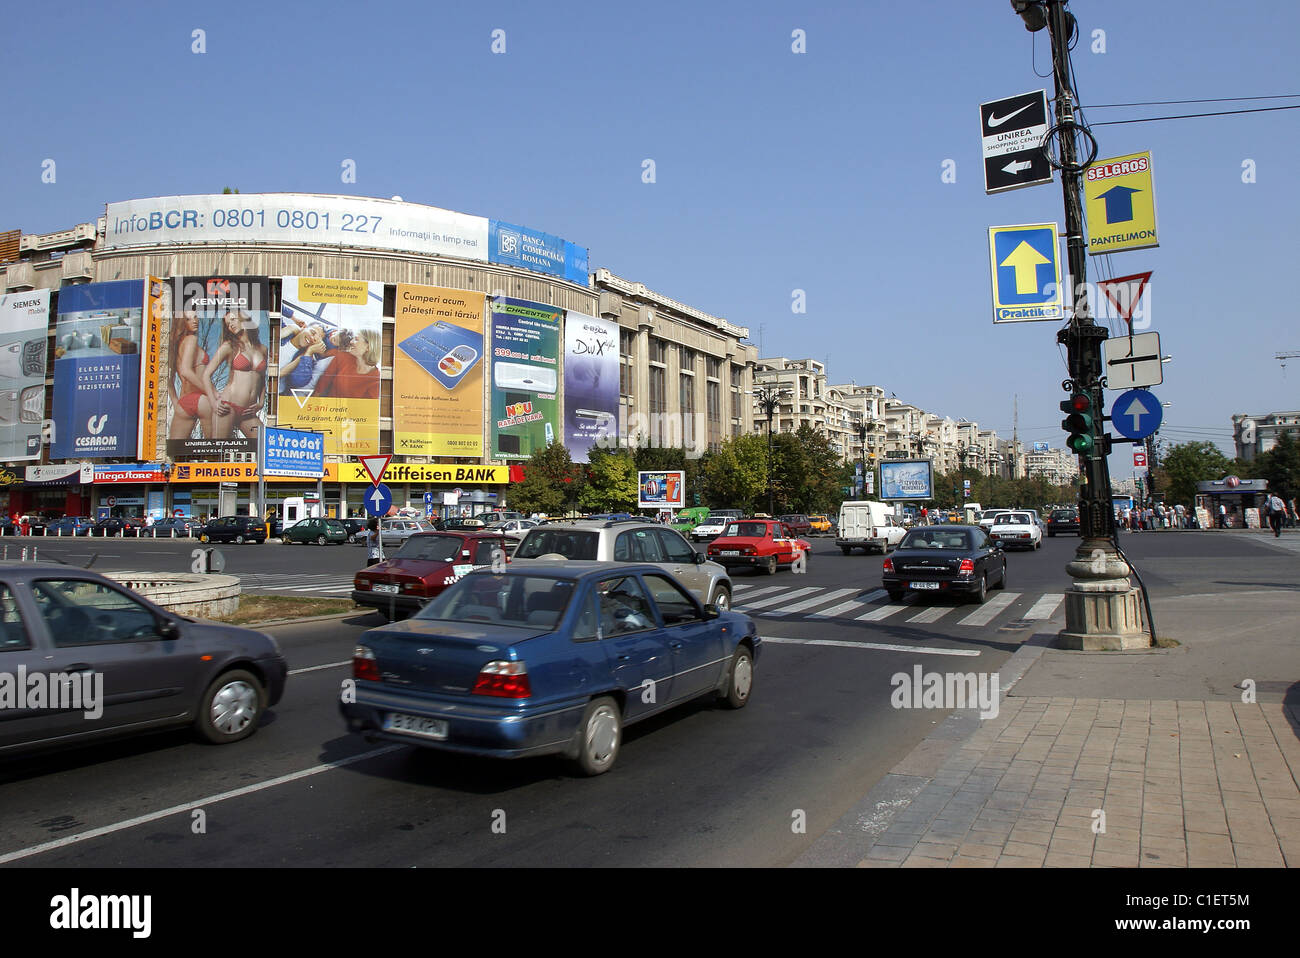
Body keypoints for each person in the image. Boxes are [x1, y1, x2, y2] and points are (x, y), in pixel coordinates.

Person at [208, 310, 268, 442]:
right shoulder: (229, 346)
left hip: (248, 412)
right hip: (228, 406)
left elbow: (262, 379)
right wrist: (214, 401)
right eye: (228, 324)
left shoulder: (262, 349)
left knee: (265, 445)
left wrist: (261, 402)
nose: (230, 325)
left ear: (244, 319)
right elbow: (206, 375)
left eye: (233, 320)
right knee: (217, 450)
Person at [169, 308, 217, 441]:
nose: (194, 321)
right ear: (181, 322)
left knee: (174, 451)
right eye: (188, 319)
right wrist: (211, 392)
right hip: (201, 399)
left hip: (183, 402)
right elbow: (186, 371)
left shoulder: (176, 345)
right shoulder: (191, 339)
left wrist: (175, 401)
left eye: (195, 317)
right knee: (212, 450)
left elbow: (168, 378)